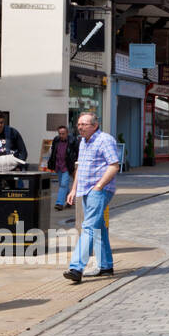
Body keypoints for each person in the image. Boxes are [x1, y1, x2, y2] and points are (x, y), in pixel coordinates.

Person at [62, 112, 120, 284]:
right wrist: (73, 189)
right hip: (85, 189)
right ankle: (106, 266)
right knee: (97, 227)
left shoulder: (105, 140)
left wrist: (99, 186)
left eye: (84, 124)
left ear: (95, 125)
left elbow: (114, 165)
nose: (80, 127)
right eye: (79, 124)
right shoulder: (83, 142)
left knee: (87, 226)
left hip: (99, 190)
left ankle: (76, 267)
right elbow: (80, 167)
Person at [48, 125, 79, 211]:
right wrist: (51, 163)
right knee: (63, 184)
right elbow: (53, 152)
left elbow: (78, 152)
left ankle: (59, 203)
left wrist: (75, 164)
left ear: (67, 133)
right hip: (58, 165)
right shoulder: (56, 140)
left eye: (63, 134)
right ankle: (70, 200)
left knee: (63, 184)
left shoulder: (73, 140)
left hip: (67, 166)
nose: (61, 135)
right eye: (60, 134)